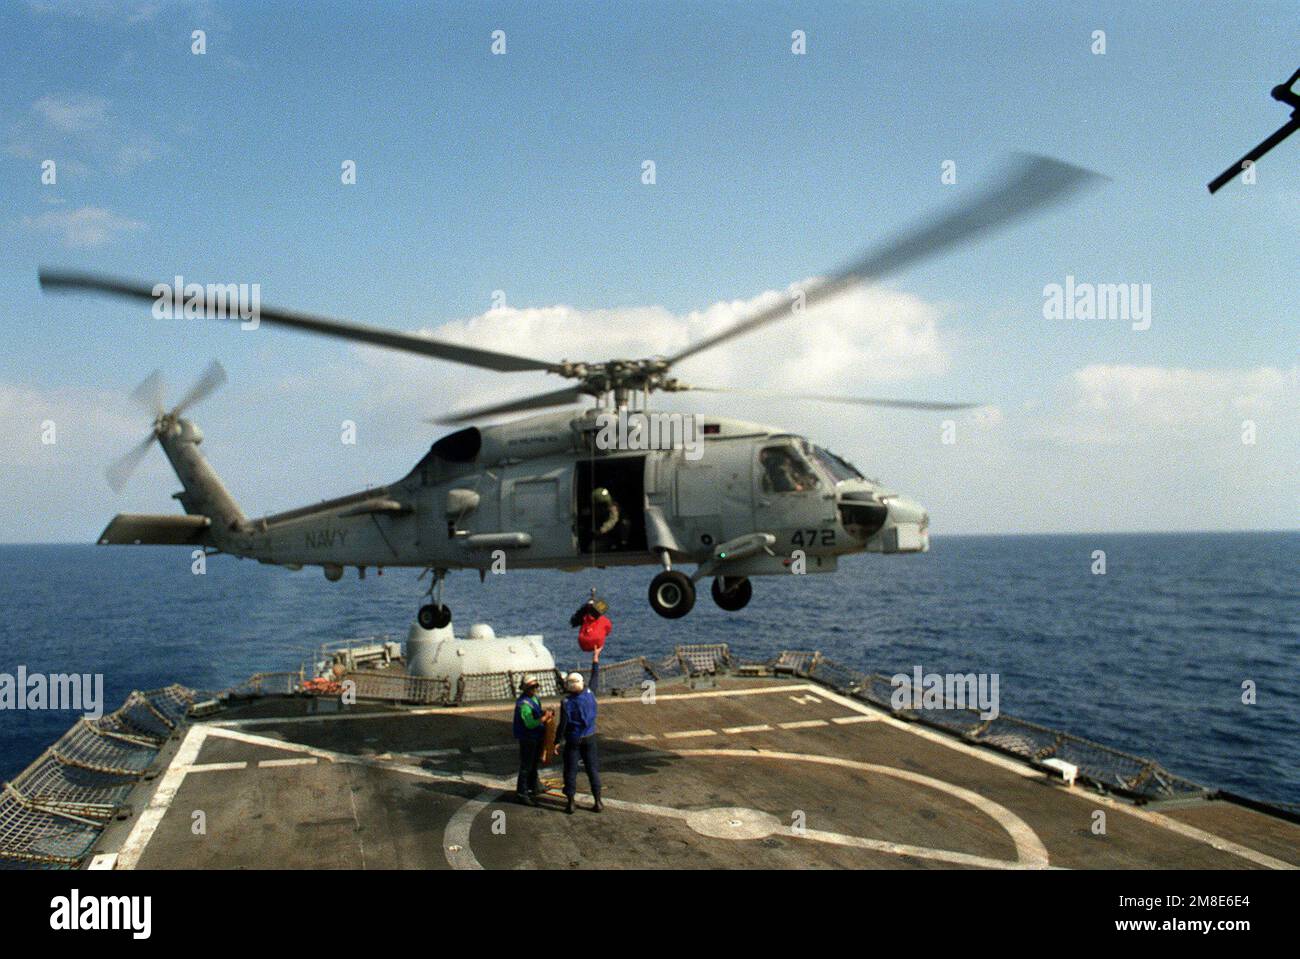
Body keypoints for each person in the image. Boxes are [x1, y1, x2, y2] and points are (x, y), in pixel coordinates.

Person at [556, 650, 602, 814]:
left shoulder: (566, 702)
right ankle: (598, 801)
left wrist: (556, 741)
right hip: (589, 738)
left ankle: (571, 803)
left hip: (573, 740)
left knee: (570, 770)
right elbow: (595, 677)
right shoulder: (590, 694)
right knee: (592, 769)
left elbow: (563, 724)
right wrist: (595, 658)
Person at [512, 675, 551, 806]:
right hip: (527, 738)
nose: (534, 689)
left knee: (534, 763)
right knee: (526, 766)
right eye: (531, 687)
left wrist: (544, 713)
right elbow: (529, 723)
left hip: (536, 736)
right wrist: (544, 719)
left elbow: (537, 712)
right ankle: (521, 793)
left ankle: (534, 786)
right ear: (525, 688)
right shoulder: (523, 704)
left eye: (535, 687)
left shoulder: (534, 699)